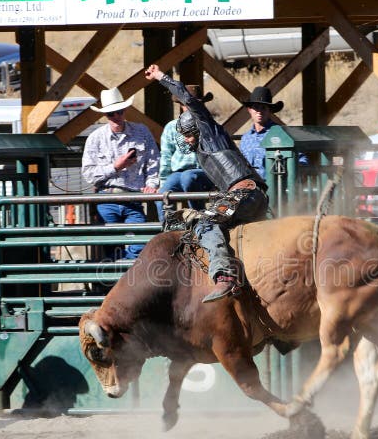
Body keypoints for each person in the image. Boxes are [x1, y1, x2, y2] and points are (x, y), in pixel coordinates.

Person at [144, 64, 269, 303]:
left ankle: (224, 275)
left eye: (187, 135)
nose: (185, 140)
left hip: (245, 193)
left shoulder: (209, 131)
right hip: (250, 195)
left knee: (205, 222)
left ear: (196, 130)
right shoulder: (205, 148)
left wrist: (160, 76)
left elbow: (188, 99)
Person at [82, 87, 160, 260]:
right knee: (111, 247)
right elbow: (88, 174)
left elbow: (154, 161)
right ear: (106, 116)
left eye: (119, 112)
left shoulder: (142, 132)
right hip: (106, 198)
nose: (116, 117)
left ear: (124, 111)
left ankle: (125, 272)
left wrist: (152, 184)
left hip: (134, 198)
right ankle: (123, 275)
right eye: (111, 114)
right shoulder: (95, 138)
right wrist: (116, 167)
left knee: (140, 243)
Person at [157, 84, 215, 221]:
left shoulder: (208, 126)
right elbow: (166, 156)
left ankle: (199, 220)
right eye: (187, 104)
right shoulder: (171, 127)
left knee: (188, 178)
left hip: (203, 171)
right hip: (178, 172)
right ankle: (168, 226)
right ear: (181, 105)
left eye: (194, 104)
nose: (190, 107)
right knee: (161, 194)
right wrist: (163, 181)